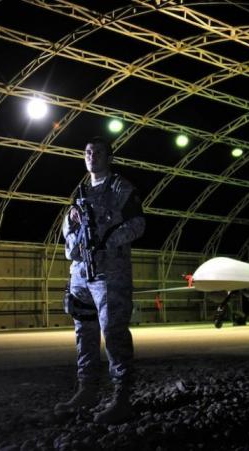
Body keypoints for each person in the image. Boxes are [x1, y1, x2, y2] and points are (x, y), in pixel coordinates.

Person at [55, 136, 145, 425]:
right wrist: (74, 245)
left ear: (109, 158)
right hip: (81, 276)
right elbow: (68, 229)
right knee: (85, 333)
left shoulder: (120, 188)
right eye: (87, 151)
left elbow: (138, 224)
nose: (91, 156)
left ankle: (122, 397)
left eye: (97, 152)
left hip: (109, 275)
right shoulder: (79, 192)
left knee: (114, 332)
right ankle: (88, 389)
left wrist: (107, 241)